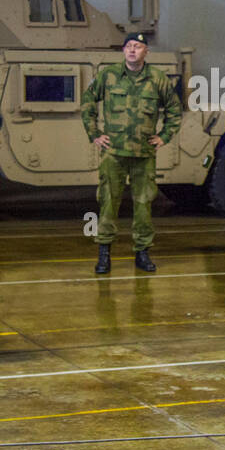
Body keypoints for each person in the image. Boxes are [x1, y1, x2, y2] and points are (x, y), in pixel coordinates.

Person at [81, 32, 182, 274]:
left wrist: (164, 136)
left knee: (144, 205)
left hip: (144, 155)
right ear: (123, 51)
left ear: (146, 51)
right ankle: (104, 254)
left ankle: (142, 253)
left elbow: (174, 111)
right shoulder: (108, 75)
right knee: (107, 202)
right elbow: (87, 102)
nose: (132, 50)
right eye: (128, 46)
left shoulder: (157, 79)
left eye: (137, 46)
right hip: (113, 153)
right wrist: (94, 134)